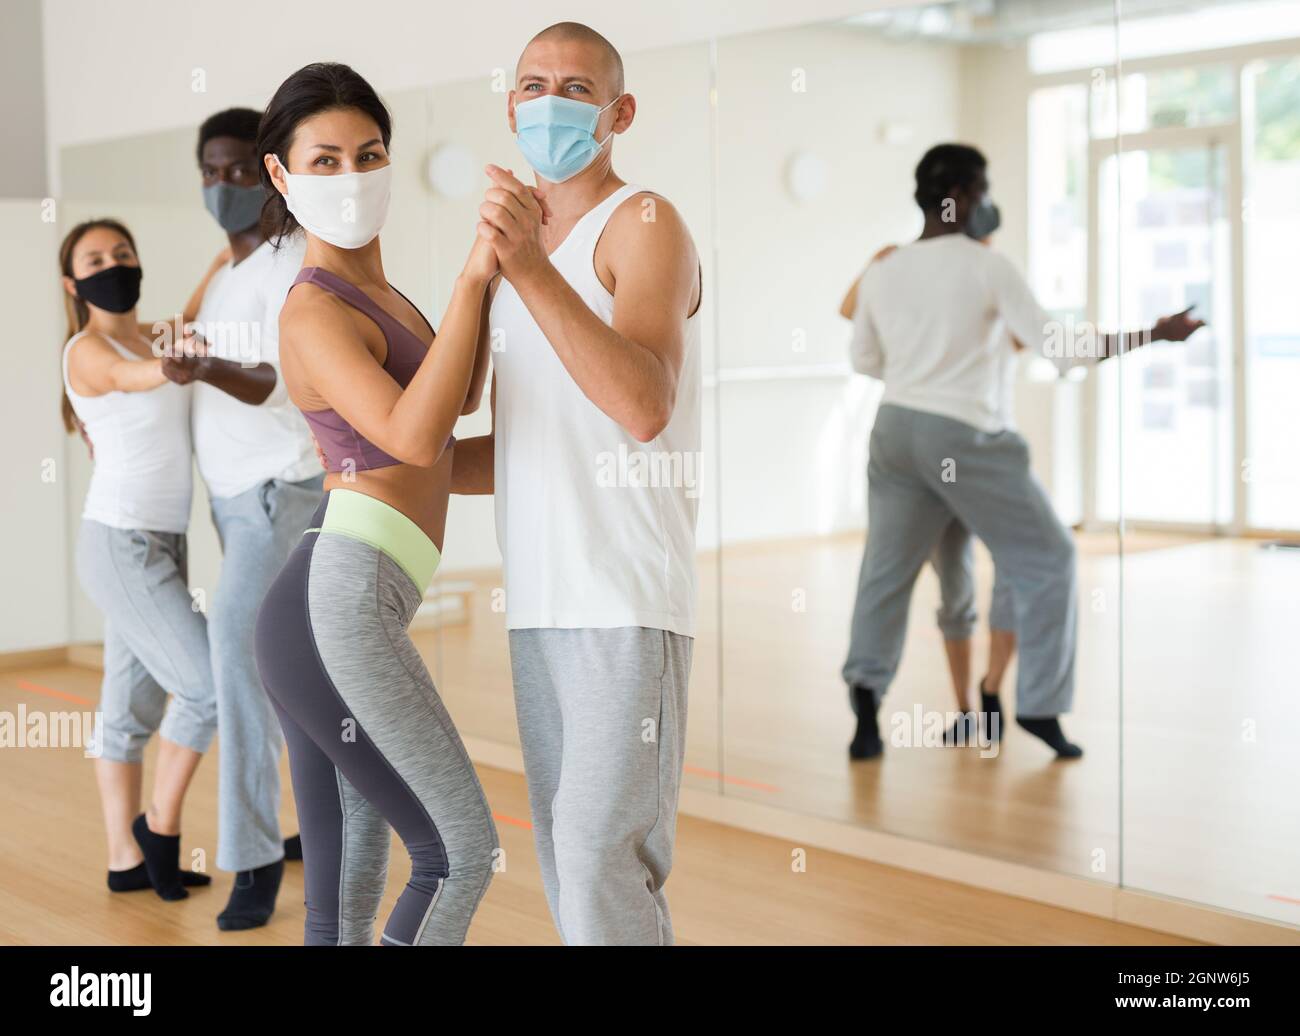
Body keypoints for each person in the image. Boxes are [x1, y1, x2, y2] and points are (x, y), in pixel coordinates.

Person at [452, 22, 702, 945]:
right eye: (532, 84)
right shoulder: (513, 249)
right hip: (540, 603)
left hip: (626, 597)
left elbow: (643, 403)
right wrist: (390, 466)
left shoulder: (644, 222)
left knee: (604, 857)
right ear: (510, 104)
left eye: (577, 88)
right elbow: (520, 440)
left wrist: (522, 264)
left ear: (620, 112)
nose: (549, 102)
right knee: (566, 854)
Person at [841, 143, 1203, 761]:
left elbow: (865, 360)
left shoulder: (884, 269)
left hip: (896, 431)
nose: (988, 203)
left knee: (885, 573)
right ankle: (1039, 705)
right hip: (965, 435)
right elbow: (1059, 346)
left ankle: (867, 715)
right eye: (981, 189)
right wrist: (1154, 333)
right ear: (961, 195)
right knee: (1050, 556)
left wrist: (923, 372)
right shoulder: (988, 266)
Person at [251, 62, 500, 946]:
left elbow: (454, 414)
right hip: (337, 606)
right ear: (281, 176)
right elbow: (412, 437)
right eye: (324, 161)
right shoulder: (313, 311)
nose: (353, 176)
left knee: (346, 890)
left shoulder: (384, 296)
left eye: (370, 152)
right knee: (459, 852)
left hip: (328, 602)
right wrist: (475, 279)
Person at [156, 107, 323, 931]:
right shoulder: (227, 270)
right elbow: (187, 339)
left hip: (275, 495)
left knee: (235, 670)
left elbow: (274, 383)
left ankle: (252, 862)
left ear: (271, 176)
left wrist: (203, 365)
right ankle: (309, 834)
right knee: (282, 678)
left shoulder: (290, 263)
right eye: (210, 172)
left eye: (240, 172)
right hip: (235, 506)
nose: (224, 186)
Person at [59, 219, 217, 901]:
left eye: (122, 253)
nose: (112, 265)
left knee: (125, 711)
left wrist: (218, 267)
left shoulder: (154, 331)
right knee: (207, 685)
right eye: (96, 259)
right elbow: (128, 376)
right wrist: (169, 368)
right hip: (120, 543)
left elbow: (181, 323)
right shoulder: (87, 349)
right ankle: (158, 826)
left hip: (163, 542)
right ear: (74, 283)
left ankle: (125, 860)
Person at [841, 239, 1021, 746]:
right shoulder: (917, 279)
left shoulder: (993, 275)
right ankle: (971, 705)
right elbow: (850, 311)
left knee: (997, 573)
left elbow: (1036, 338)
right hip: (945, 453)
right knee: (961, 584)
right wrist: (874, 264)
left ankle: (983, 695)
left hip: (958, 450)